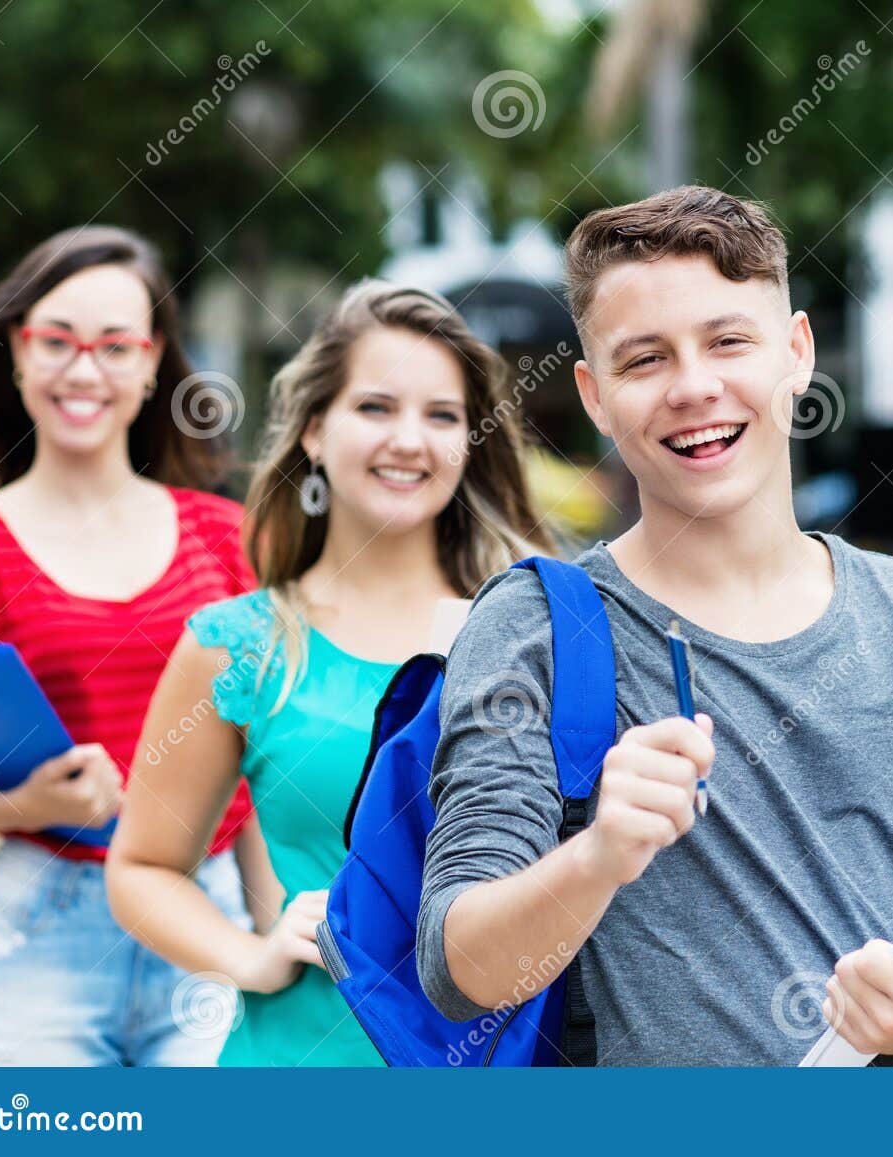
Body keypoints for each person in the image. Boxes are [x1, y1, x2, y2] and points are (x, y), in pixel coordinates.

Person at [415, 186, 893, 1066]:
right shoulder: (536, 626)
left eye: (728, 341)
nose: (694, 387)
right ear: (595, 397)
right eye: (645, 361)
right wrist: (599, 853)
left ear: (796, 351)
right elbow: (460, 966)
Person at [106, 283, 555, 1066]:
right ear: (315, 429)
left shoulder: (534, 633)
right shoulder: (240, 644)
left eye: (442, 416)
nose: (409, 440)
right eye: (375, 407)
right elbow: (142, 867)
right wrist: (250, 953)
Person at [0, 225, 257, 1066]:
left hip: (208, 913)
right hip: (42, 926)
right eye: (58, 340)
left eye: (116, 345)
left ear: (154, 361)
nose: (85, 370)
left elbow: (262, 767)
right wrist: (35, 802)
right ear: (17, 350)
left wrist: (277, 933)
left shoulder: (231, 541)